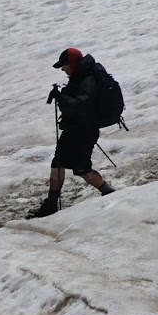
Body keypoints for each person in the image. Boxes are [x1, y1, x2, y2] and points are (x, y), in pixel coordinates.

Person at [30, 48, 115, 217]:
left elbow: (81, 105)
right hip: (74, 129)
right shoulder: (79, 77)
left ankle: (109, 192)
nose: (63, 70)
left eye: (65, 66)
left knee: (82, 169)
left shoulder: (88, 80)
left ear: (73, 64)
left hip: (84, 132)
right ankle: (51, 204)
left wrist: (61, 97)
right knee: (58, 163)